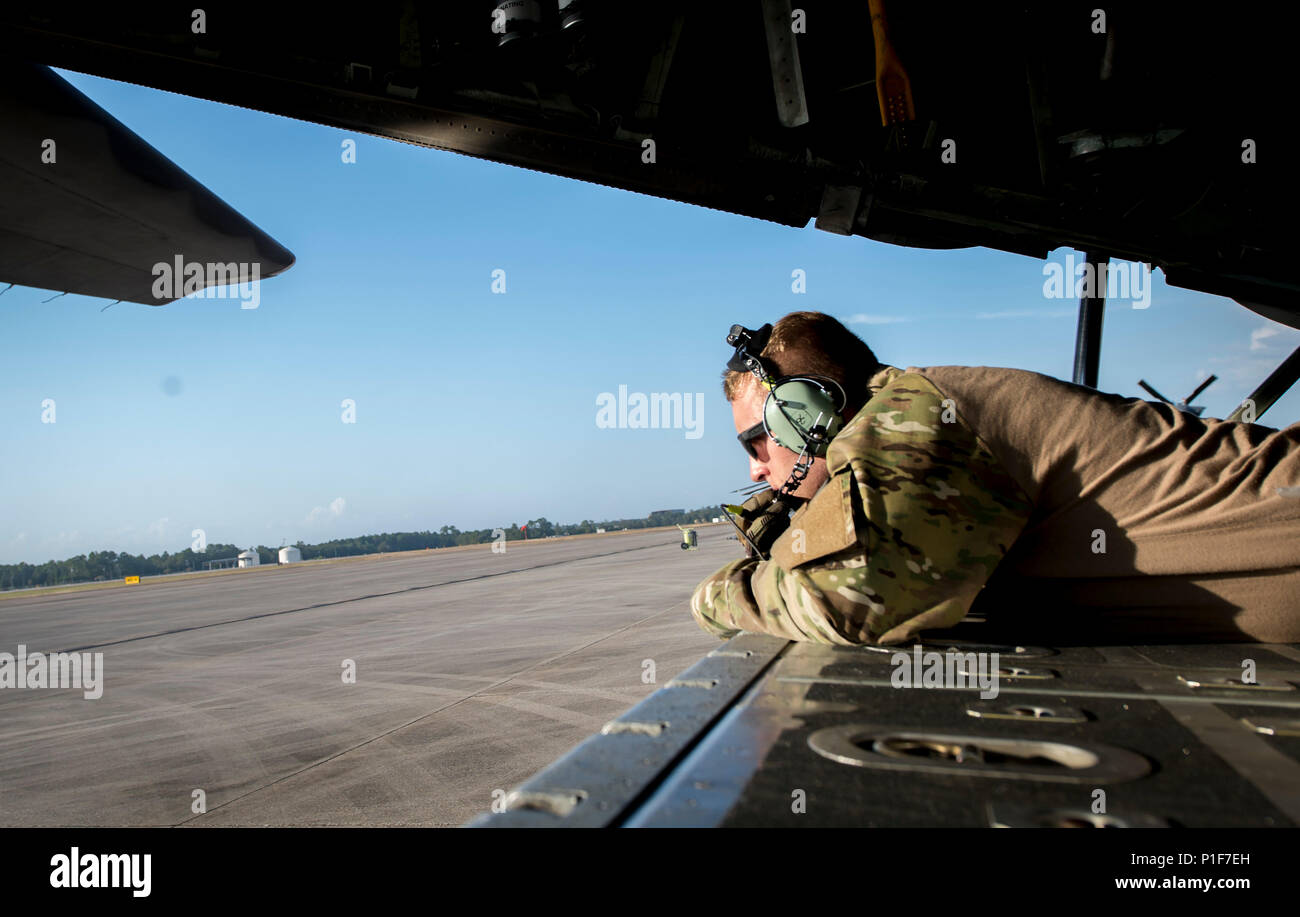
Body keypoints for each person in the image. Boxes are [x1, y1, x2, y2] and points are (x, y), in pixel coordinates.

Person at [690, 311, 1300, 645]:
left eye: (757, 439)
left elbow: (855, 600)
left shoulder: (913, 411)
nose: (754, 467)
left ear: (809, 411)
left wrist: (718, 596)